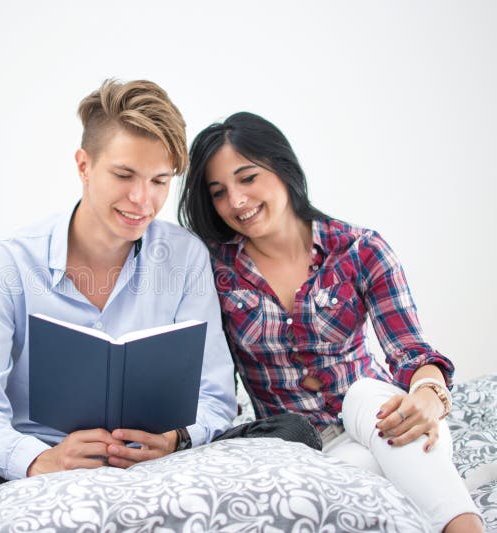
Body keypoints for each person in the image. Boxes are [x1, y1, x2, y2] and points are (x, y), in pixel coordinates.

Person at [0, 80, 320, 520]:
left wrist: (177, 438)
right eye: (124, 175)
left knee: (294, 433)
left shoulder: (184, 256)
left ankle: (52, 501)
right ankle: (68, 494)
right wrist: (39, 461)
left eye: (160, 181)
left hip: (161, 459)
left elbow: (216, 396)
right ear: (83, 165)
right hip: (42, 457)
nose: (143, 199)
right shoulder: (7, 260)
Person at [178, 111, 482, 532]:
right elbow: (204, 373)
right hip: (305, 449)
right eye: (219, 192)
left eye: (247, 178)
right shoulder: (214, 270)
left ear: (282, 167)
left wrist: (429, 395)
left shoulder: (360, 249)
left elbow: (409, 351)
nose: (236, 201)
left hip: (383, 418)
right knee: (360, 474)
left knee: (367, 400)